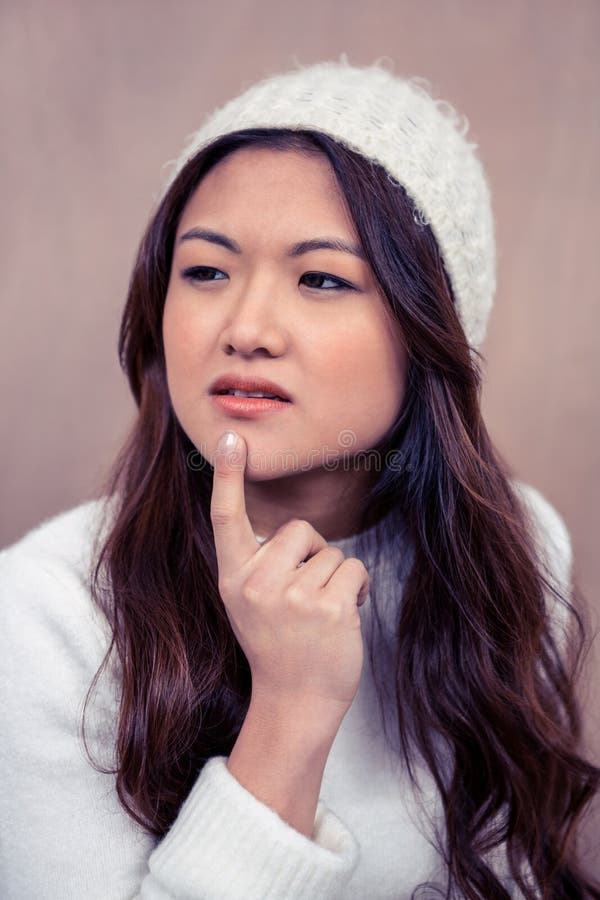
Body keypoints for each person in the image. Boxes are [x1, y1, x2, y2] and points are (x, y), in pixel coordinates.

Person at [0, 57, 598, 900]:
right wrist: (289, 709)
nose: (246, 328)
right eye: (206, 271)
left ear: (433, 328)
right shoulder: (46, 614)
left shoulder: (519, 549)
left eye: (321, 278)